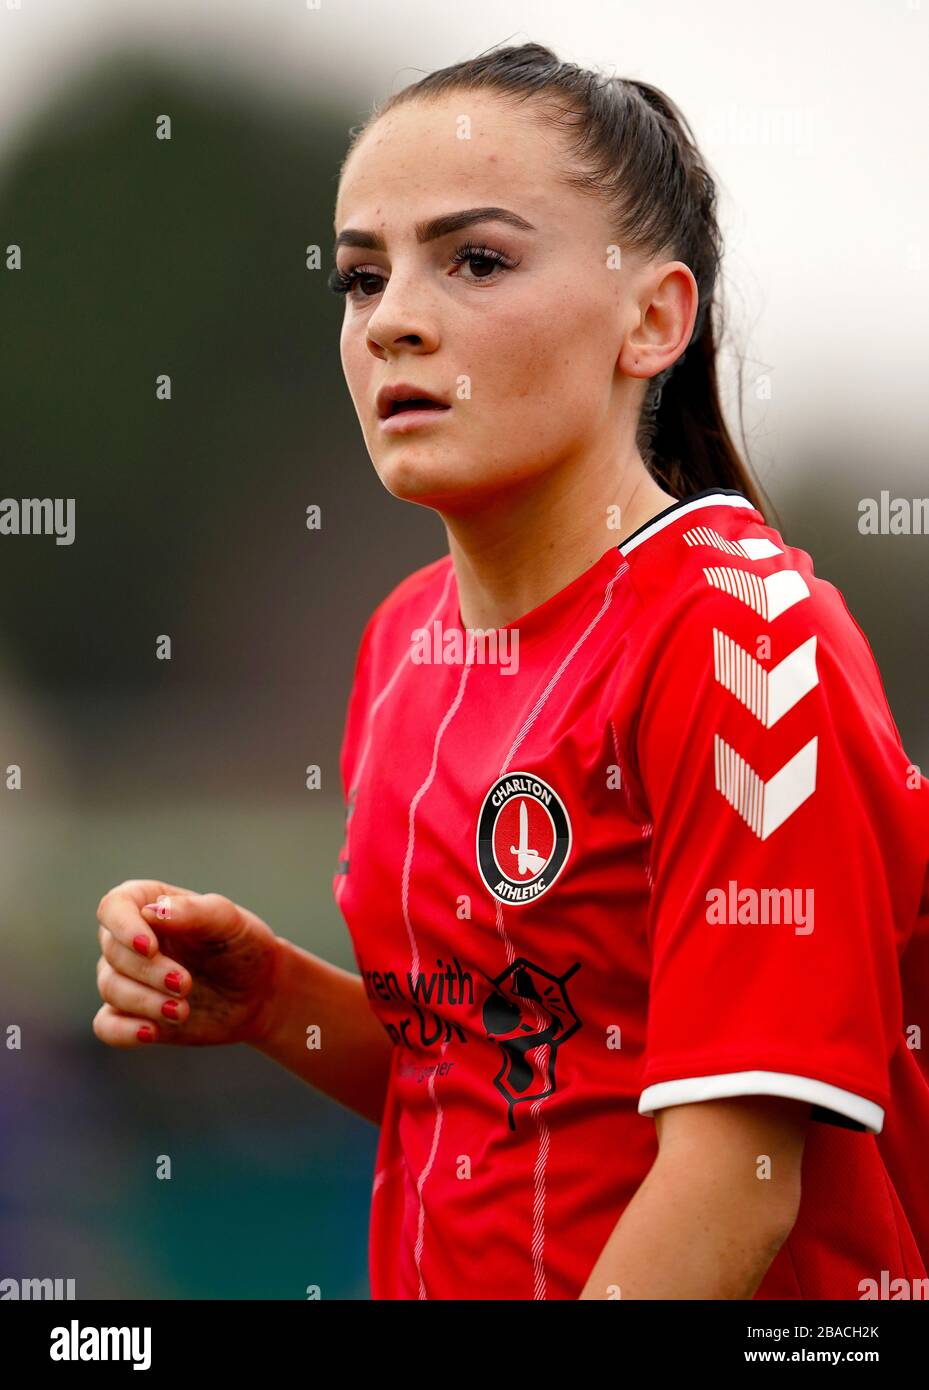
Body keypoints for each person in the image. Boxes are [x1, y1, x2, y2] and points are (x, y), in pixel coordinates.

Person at [94, 42, 929, 1300]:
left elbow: (736, 1184)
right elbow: (496, 1072)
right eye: (360, 276)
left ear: (651, 319)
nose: (395, 319)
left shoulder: (745, 645)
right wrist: (277, 1003)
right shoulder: (401, 642)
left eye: (474, 259)